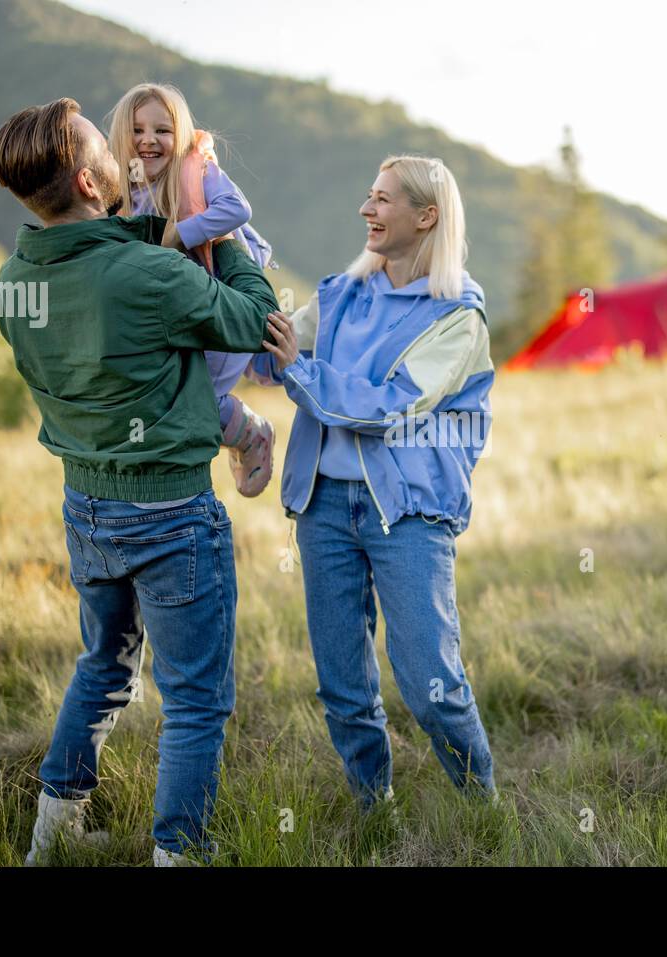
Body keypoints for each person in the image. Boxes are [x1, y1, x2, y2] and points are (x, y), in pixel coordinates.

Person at [0, 97, 298, 865]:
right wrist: (216, 230)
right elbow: (249, 318)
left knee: (101, 667)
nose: (121, 155)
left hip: (87, 509)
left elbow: (108, 270)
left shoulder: (12, 280)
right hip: (170, 514)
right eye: (104, 149)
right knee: (195, 699)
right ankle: (178, 853)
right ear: (92, 184)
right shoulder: (152, 273)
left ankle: (49, 837)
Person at [253, 155, 497, 808]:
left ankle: (483, 811)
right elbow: (269, 350)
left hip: (407, 515)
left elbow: (388, 405)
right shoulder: (340, 295)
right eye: (368, 196)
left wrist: (297, 371)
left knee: (430, 685)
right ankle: (373, 807)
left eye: (383, 199)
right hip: (323, 509)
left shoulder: (457, 319)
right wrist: (229, 270)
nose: (367, 209)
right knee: (342, 685)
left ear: (427, 216)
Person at [108, 81, 277, 497]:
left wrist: (180, 234)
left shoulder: (196, 170)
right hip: (177, 311)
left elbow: (238, 209)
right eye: (137, 129)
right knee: (173, 390)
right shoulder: (121, 190)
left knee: (202, 396)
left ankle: (252, 433)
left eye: (162, 130)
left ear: (180, 135)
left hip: (223, 296)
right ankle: (259, 368)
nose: (149, 140)